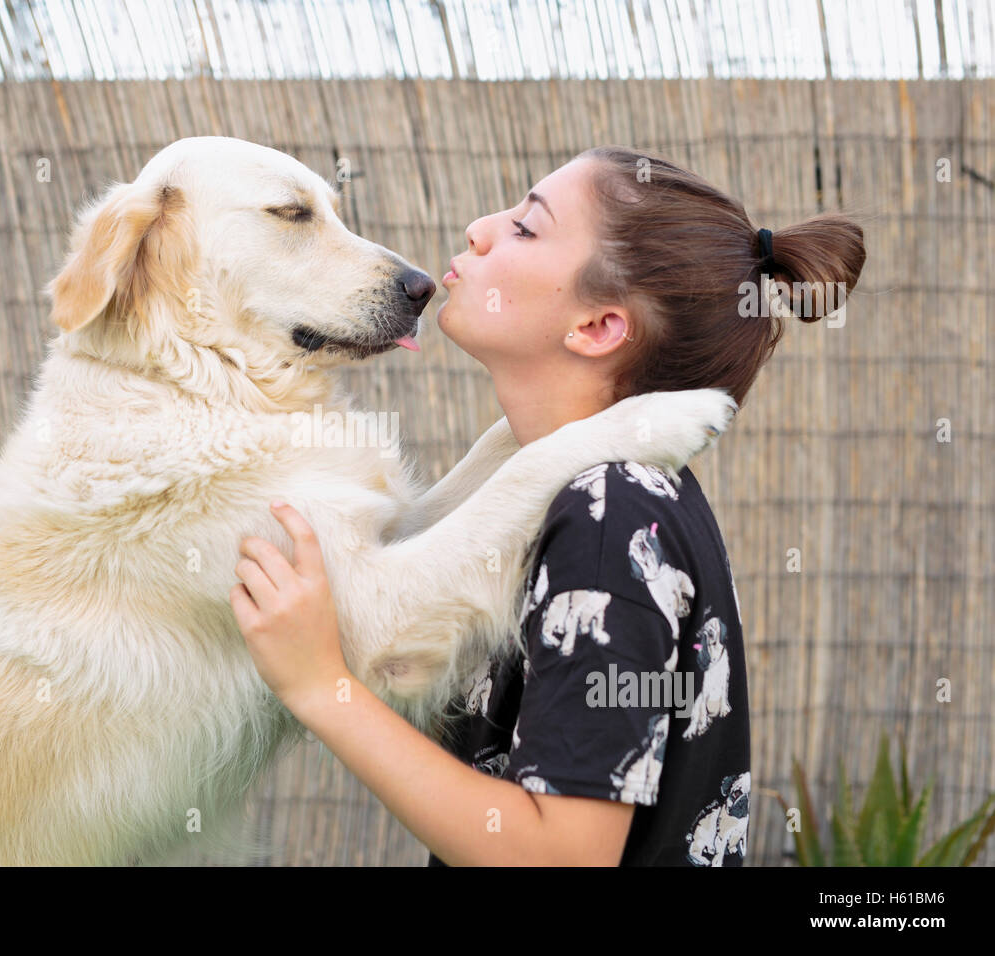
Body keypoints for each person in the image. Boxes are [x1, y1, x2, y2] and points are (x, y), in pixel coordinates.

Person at [229, 146, 866, 866]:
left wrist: (322, 689)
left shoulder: (607, 512)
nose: (478, 228)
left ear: (596, 327)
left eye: (526, 228)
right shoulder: (610, 487)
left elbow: (560, 853)